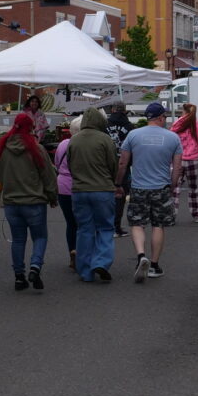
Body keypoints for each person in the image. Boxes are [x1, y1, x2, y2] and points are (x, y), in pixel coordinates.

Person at [118, 102, 184, 281]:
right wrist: (172, 185)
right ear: (161, 117)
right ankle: (154, 265)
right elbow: (177, 167)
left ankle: (141, 255)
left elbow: (123, 163)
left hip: (139, 187)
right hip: (161, 187)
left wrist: (118, 183)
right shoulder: (173, 138)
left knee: (137, 224)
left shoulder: (133, 135)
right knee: (158, 225)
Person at [0, 111, 57, 290]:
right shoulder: (36, 148)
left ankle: (19, 276)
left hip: (11, 202)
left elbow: (0, 174)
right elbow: (48, 175)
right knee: (40, 237)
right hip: (34, 200)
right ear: (31, 127)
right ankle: (35, 267)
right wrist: (52, 197)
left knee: (18, 239)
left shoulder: (3, 148)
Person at [68, 107, 119, 283]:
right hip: (102, 189)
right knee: (105, 228)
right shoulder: (105, 139)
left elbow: (70, 164)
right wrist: (113, 182)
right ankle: (101, 262)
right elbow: (113, 164)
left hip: (79, 190)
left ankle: (85, 271)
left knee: (84, 230)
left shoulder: (74, 140)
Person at [170, 103, 198, 224]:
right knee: (193, 188)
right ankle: (197, 215)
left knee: (175, 188)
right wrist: (197, 154)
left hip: (178, 160)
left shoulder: (177, 124)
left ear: (183, 111)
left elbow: (171, 140)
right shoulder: (197, 124)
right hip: (192, 160)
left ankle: (171, 215)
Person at [54, 118, 79, 271]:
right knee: (83, 223)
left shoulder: (63, 144)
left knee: (71, 223)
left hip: (63, 186)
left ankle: (72, 253)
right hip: (79, 186)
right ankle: (82, 252)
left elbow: (57, 163)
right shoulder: (84, 145)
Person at [105, 103, 134, 236]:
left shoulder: (105, 125)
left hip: (107, 164)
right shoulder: (129, 127)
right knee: (120, 196)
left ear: (112, 110)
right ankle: (116, 226)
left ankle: (107, 225)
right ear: (125, 111)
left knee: (106, 195)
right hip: (124, 164)